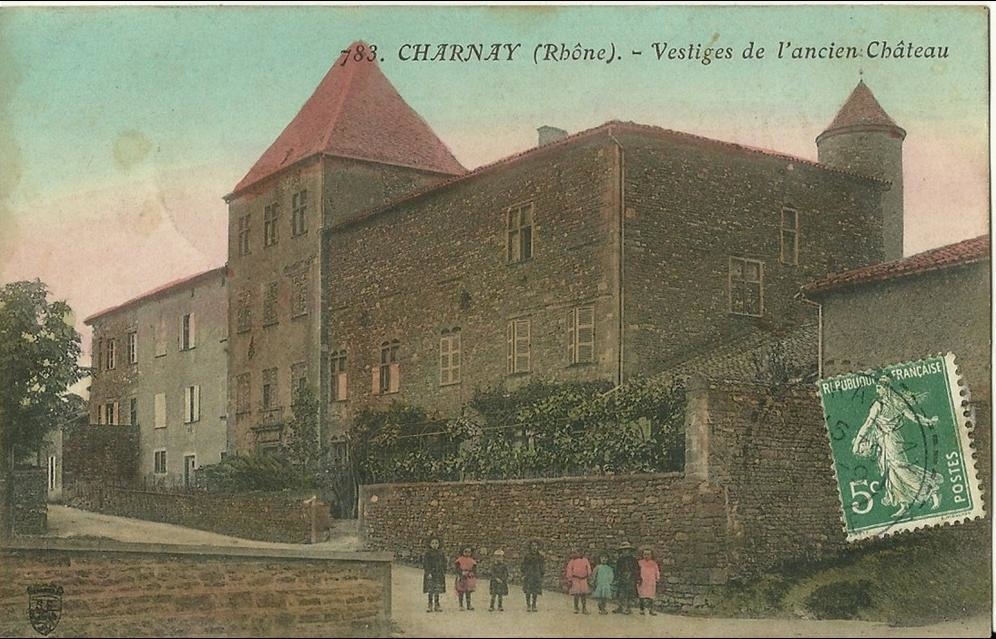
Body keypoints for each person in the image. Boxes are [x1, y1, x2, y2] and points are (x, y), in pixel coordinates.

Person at [853, 376, 943, 517]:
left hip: (891, 441)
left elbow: (868, 424)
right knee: (890, 472)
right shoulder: (893, 403)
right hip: (886, 440)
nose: (878, 390)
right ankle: (904, 504)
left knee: (900, 469)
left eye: (879, 387)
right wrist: (928, 421)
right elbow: (914, 417)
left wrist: (858, 441)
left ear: (886, 388)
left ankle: (930, 491)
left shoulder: (883, 404)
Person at [612, 541, 639, 614]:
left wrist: (635, 577)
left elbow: (637, 569)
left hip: (631, 579)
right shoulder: (620, 560)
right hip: (622, 578)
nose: (625, 552)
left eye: (627, 550)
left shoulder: (633, 560)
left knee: (629, 594)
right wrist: (617, 577)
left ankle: (628, 608)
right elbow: (617, 569)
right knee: (621, 593)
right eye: (623, 550)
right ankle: (620, 607)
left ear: (630, 551)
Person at [564, 549, 593, 614]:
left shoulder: (585, 560)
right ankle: (576, 607)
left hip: (583, 579)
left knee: (583, 594)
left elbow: (588, 568)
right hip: (575, 579)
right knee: (576, 594)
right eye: (577, 552)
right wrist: (569, 579)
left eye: (581, 552)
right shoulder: (572, 561)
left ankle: (584, 608)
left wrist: (589, 576)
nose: (579, 554)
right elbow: (569, 570)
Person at [422, 536, 446, 613]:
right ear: (429, 544)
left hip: (439, 574)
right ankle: (430, 604)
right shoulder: (427, 553)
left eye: (436, 543)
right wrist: (428, 572)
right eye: (433, 543)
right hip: (431, 574)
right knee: (430, 589)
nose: (435, 545)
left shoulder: (441, 553)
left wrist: (443, 570)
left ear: (439, 544)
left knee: (437, 589)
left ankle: (437, 604)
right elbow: (426, 564)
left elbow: (444, 562)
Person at [521, 540, 545, 612]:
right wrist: (523, 573)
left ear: (538, 547)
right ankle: (528, 605)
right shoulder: (527, 556)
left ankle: (534, 605)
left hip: (536, 575)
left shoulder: (540, 556)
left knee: (535, 591)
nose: (534, 547)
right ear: (530, 547)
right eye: (533, 546)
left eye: (535, 546)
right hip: (529, 574)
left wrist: (542, 573)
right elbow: (523, 565)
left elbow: (542, 565)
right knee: (528, 591)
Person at [637, 547, 661, 615]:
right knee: (641, 595)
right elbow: (637, 571)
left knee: (651, 596)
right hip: (642, 581)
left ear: (651, 555)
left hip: (651, 581)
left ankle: (651, 609)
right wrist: (638, 579)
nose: (646, 556)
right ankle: (642, 609)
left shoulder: (654, 563)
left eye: (648, 554)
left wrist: (657, 578)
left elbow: (657, 571)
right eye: (645, 554)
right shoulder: (640, 563)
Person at [454, 546, 478, 610]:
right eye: (465, 552)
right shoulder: (459, 560)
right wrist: (461, 573)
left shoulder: (472, 561)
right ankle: (461, 605)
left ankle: (468, 605)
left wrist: (471, 573)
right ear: (462, 552)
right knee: (461, 592)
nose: (467, 553)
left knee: (468, 592)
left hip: (469, 577)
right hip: (461, 577)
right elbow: (457, 569)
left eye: (469, 552)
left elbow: (474, 569)